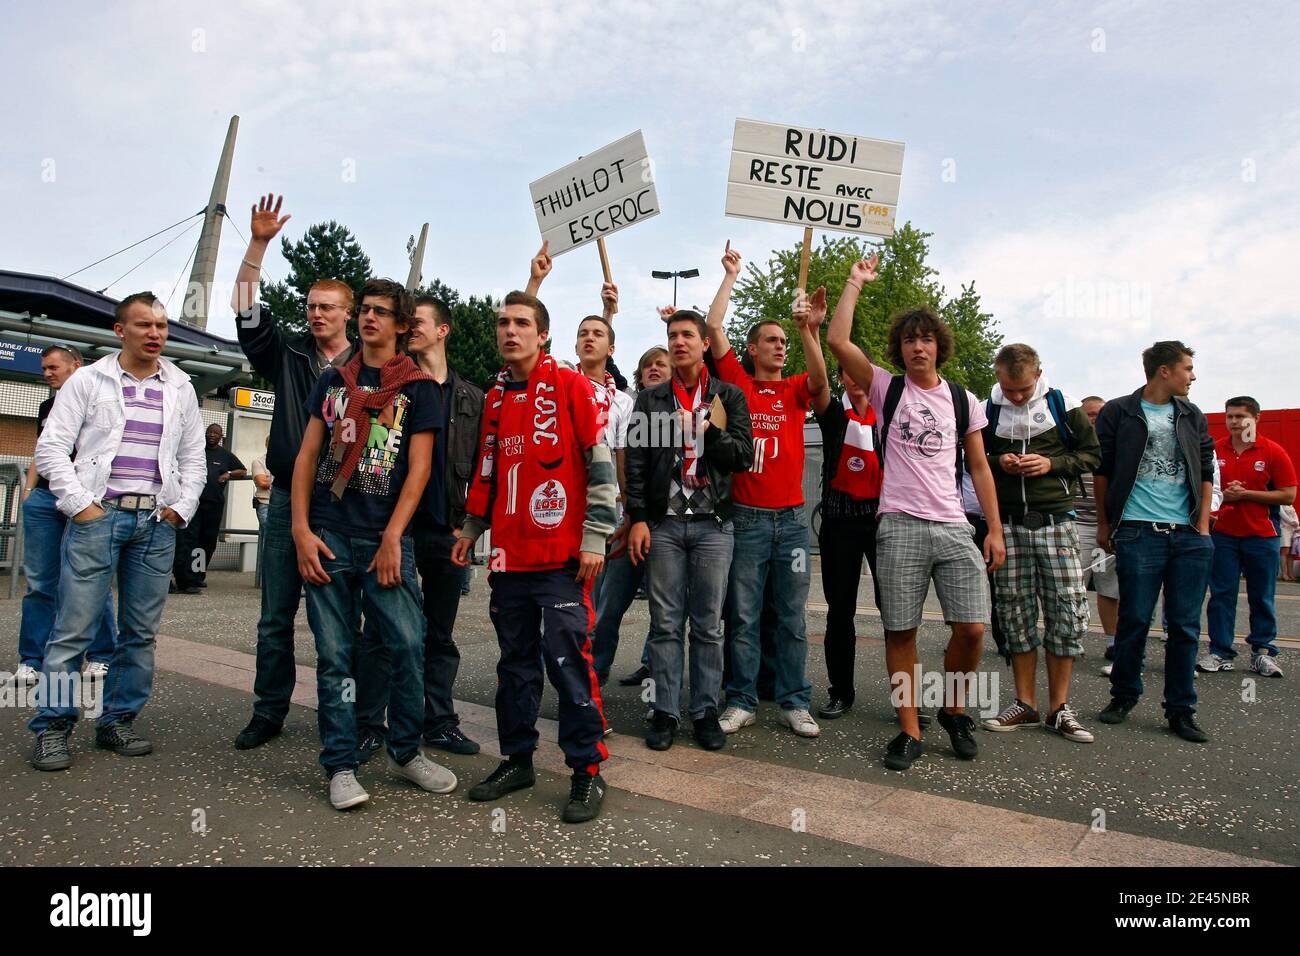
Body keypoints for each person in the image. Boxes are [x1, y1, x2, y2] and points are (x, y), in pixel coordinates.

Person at [827, 254, 1005, 772]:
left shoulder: (963, 399)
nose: (918, 346)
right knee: (900, 631)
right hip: (899, 522)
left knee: (972, 627)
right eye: (909, 340)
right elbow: (839, 341)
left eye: (926, 338)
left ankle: (953, 709)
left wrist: (993, 529)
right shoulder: (887, 387)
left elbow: (980, 467)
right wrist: (855, 283)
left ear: (938, 346)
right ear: (900, 349)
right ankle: (909, 729)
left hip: (953, 524)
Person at [452, 290, 618, 824]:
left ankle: (586, 771)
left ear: (542, 334)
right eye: (503, 322)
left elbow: (600, 465)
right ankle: (516, 759)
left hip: (562, 558)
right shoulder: (496, 396)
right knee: (515, 667)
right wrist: (473, 526)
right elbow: (488, 468)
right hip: (508, 557)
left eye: (522, 322)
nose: (509, 331)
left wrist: (596, 537)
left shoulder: (570, 385)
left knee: (569, 664)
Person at [294, 277, 456, 810]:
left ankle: (406, 752)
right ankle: (340, 765)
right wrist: (301, 531)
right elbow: (306, 458)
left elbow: (420, 468)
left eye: (381, 312)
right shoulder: (334, 380)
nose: (369, 319)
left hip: (387, 540)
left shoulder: (419, 389)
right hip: (330, 536)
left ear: (403, 326)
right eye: (364, 310)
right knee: (336, 655)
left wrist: (393, 537)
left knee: (408, 645)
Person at [30, 293, 206, 771]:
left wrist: (179, 509)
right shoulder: (88, 380)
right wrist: (82, 507)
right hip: (99, 517)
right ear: (119, 330)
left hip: (155, 523)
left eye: (162, 326)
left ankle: (117, 720)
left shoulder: (181, 387)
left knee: (140, 634)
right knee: (73, 629)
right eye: (144, 325)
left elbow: (193, 459)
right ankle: (52, 726)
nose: (155, 334)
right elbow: (51, 452)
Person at [230, 194, 362, 751]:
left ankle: (350, 716)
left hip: (350, 505)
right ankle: (269, 711)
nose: (315, 313)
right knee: (274, 616)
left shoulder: (371, 363)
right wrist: (258, 244)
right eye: (310, 305)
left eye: (327, 306)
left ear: (349, 314)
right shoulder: (285, 353)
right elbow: (244, 309)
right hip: (286, 499)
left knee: (343, 625)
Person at [351, 294, 486, 762]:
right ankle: (369, 724)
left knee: (440, 635)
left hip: (448, 532)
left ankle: (439, 723)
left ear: (443, 330)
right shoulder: (393, 385)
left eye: (420, 323)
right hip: (397, 531)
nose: (410, 330)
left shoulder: (472, 397)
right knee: (382, 633)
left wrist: (469, 528)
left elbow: (485, 465)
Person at [704, 242, 827, 738]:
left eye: (783, 341)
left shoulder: (795, 388)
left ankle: (795, 700)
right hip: (748, 521)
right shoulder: (736, 384)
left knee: (792, 617)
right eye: (770, 340)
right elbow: (714, 328)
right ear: (752, 350)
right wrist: (731, 275)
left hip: (793, 522)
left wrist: (808, 331)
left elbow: (821, 380)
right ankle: (742, 699)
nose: (779, 346)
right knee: (745, 617)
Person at [625, 308, 754, 751]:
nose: (679, 342)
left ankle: (703, 712)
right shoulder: (651, 399)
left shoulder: (728, 396)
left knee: (708, 626)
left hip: (713, 525)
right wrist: (639, 517)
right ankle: (664, 711)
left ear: (704, 344)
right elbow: (638, 463)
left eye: (687, 335)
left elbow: (742, 456)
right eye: (672, 335)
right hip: (663, 525)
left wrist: (706, 433)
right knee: (664, 623)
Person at [978, 344, 1100, 743]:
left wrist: (1052, 463)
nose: (1015, 396)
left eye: (1023, 389)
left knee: (1066, 611)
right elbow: (972, 459)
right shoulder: (986, 410)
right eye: (1008, 388)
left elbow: (1092, 455)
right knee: (1015, 612)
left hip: (1056, 522)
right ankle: (1025, 703)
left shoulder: (1064, 408)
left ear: (1039, 374)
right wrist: (1002, 463)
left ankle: (1059, 708)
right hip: (1009, 525)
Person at [1094, 340, 1215, 743]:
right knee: (1134, 620)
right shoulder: (1119, 412)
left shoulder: (1191, 414)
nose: (1192, 375)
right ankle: (1124, 695)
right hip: (1137, 530)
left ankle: (1181, 709)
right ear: (1164, 370)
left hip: (1188, 536)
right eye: (1187, 368)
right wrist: (1104, 523)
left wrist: (1202, 527)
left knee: (1184, 626)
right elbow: (1103, 470)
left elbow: (1205, 466)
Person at [16, 345, 117, 687]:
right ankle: (32, 659)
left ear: (76, 365)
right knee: (40, 583)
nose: (47, 373)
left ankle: (102, 656)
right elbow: (42, 451)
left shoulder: (100, 400)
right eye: (44, 368)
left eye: (53, 367)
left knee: (92, 580)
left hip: (85, 500)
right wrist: (29, 492)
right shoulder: (47, 406)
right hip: (45, 499)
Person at [1198, 397, 1295, 677]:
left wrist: (1247, 494)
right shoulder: (1215, 451)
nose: (1235, 422)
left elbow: (1288, 494)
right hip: (1224, 535)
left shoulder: (1273, 451)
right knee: (1221, 595)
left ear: (1256, 418)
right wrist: (1224, 495)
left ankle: (1262, 653)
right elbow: (1206, 489)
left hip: (1262, 536)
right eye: (1230, 417)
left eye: (1241, 416)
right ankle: (1220, 652)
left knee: (1262, 596)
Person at [593, 345, 671, 686]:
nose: (653, 369)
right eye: (647, 365)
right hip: (629, 520)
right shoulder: (628, 403)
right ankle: (596, 669)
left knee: (663, 609)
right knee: (609, 604)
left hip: (668, 525)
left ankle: (651, 667)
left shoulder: (682, 409)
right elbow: (601, 359)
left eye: (661, 364)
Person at [814, 358, 883, 719]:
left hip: (883, 523)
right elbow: (818, 381)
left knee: (897, 614)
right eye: (848, 373)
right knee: (840, 612)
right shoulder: (832, 414)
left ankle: (908, 697)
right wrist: (810, 331)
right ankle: (841, 690)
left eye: (863, 373)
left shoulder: (888, 416)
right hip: (840, 522)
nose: (856, 379)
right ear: (840, 377)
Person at [172, 423, 245, 593]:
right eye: (209, 432)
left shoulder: (226, 455)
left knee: (207, 541)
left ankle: (198, 576)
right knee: (190, 540)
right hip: (195, 504)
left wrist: (229, 474)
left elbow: (242, 470)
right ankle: (186, 579)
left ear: (221, 437)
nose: (212, 435)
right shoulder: (197, 452)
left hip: (214, 505)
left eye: (216, 433)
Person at [250, 436, 272, 530]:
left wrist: (269, 479)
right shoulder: (258, 462)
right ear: (266, 444)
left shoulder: (288, 460)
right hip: (265, 503)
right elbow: (262, 483)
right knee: (268, 534)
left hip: (285, 504)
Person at [1281, 504, 1298, 582]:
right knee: (1285, 551)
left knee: (1291, 553)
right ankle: (1284, 574)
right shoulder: (1280, 504)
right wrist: (1291, 522)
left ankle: (1291, 574)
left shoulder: (1290, 505)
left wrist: (1297, 525)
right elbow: (1282, 515)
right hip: (1284, 529)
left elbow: (1295, 515)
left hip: (1293, 529)